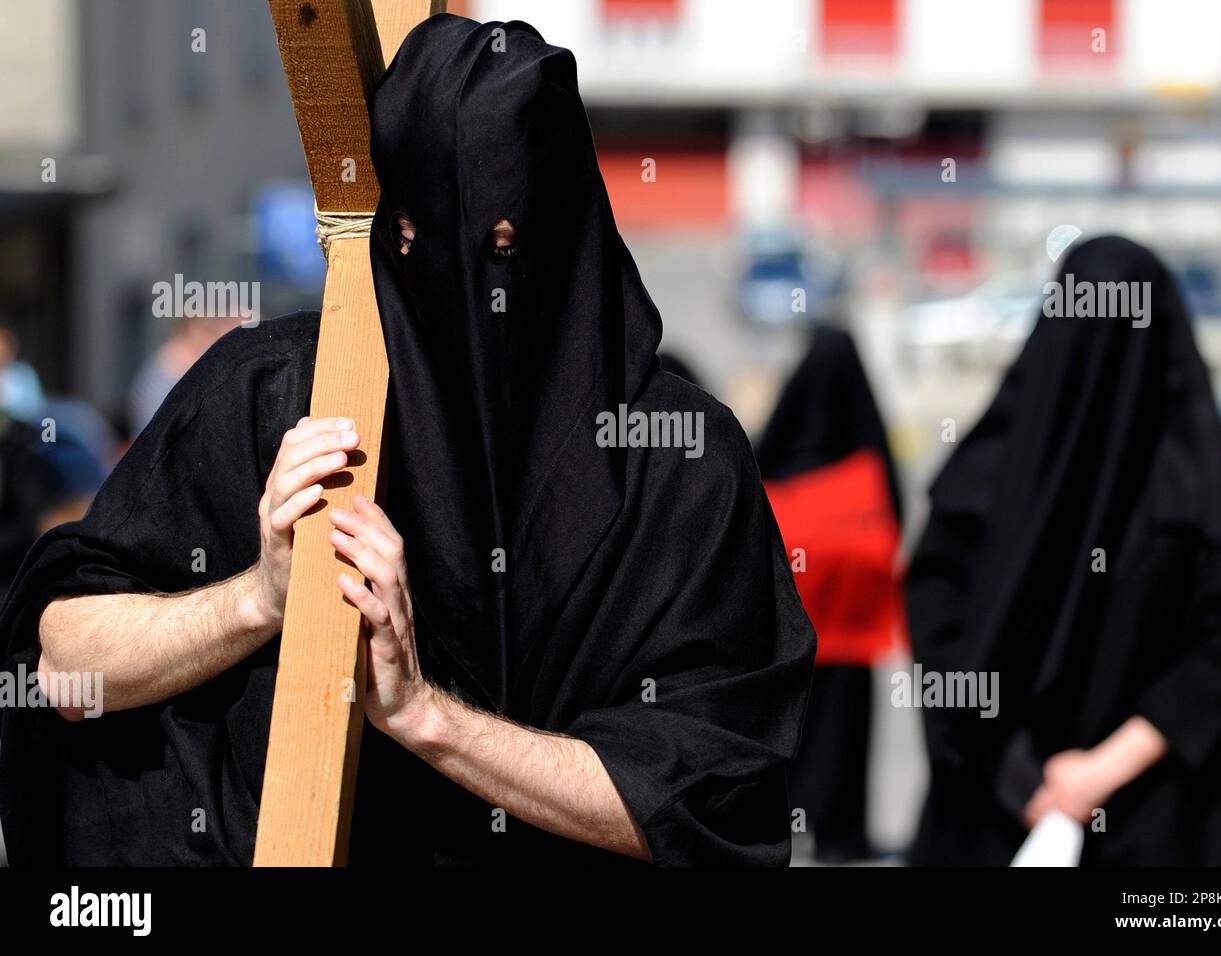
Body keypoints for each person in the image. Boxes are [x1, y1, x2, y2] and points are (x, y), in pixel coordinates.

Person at [0, 14, 816, 866]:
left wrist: (424, 714)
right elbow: (63, 663)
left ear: (573, 232)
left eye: (504, 251)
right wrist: (258, 599)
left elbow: (705, 800)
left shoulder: (682, 467)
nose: (468, 294)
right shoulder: (274, 397)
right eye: (414, 244)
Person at [905, 236, 1221, 866]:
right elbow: (938, 621)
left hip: (1137, 808)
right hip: (1023, 805)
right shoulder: (1191, 479)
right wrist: (1038, 780)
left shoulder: (990, 474)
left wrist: (1087, 775)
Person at [756, 323, 904, 863]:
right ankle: (842, 832)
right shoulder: (864, 452)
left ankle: (780, 824)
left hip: (793, 616)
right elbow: (895, 510)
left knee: (785, 709)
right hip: (851, 616)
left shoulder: (779, 451)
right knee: (845, 716)